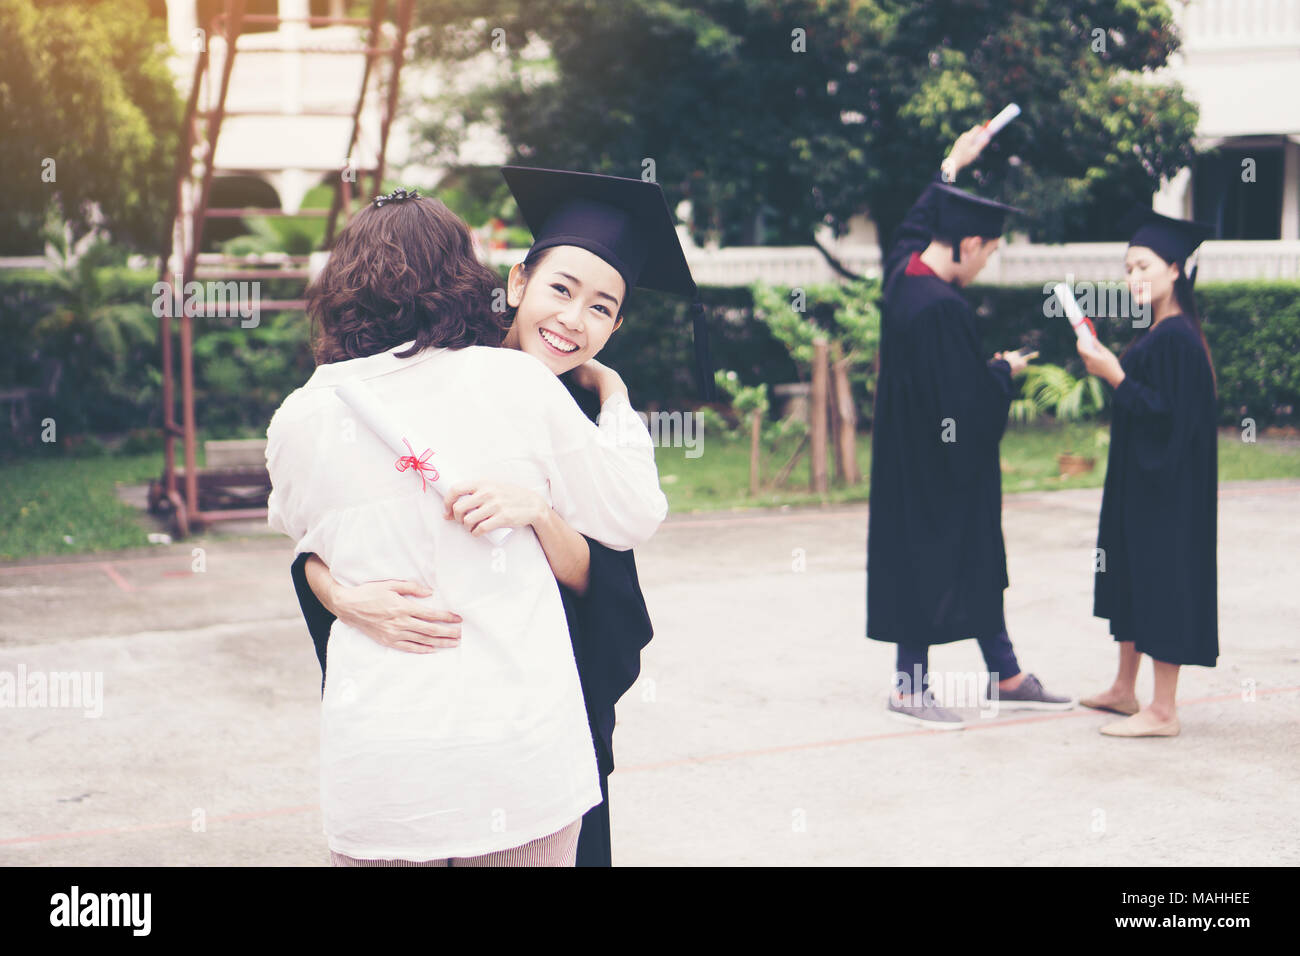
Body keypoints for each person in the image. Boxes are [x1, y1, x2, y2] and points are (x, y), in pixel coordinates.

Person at [287, 169, 707, 865]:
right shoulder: (431, 369)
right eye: (561, 290)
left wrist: (539, 512)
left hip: (549, 702)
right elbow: (327, 530)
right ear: (518, 283)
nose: (574, 319)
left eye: (602, 308)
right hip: (432, 699)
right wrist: (345, 598)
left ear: (616, 324)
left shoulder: (585, 415)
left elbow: (603, 583)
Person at [867, 125, 1073, 729]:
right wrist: (1002, 372)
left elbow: (914, 220)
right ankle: (909, 689)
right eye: (988, 253)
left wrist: (953, 164)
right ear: (970, 243)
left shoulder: (903, 273)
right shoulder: (944, 308)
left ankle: (1005, 674)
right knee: (931, 561)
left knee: (976, 561)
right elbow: (963, 400)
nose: (986, 264)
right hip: (941, 462)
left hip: (911, 454)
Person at [1076, 209, 1218, 737]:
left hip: (1168, 488)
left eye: (1143, 266)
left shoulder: (1177, 337)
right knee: (1133, 576)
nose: (1133, 278)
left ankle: (1163, 709)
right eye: (1128, 268)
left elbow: (1167, 417)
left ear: (1176, 270)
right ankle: (1123, 688)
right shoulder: (1162, 330)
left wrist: (1113, 372)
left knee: (1161, 582)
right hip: (1141, 481)